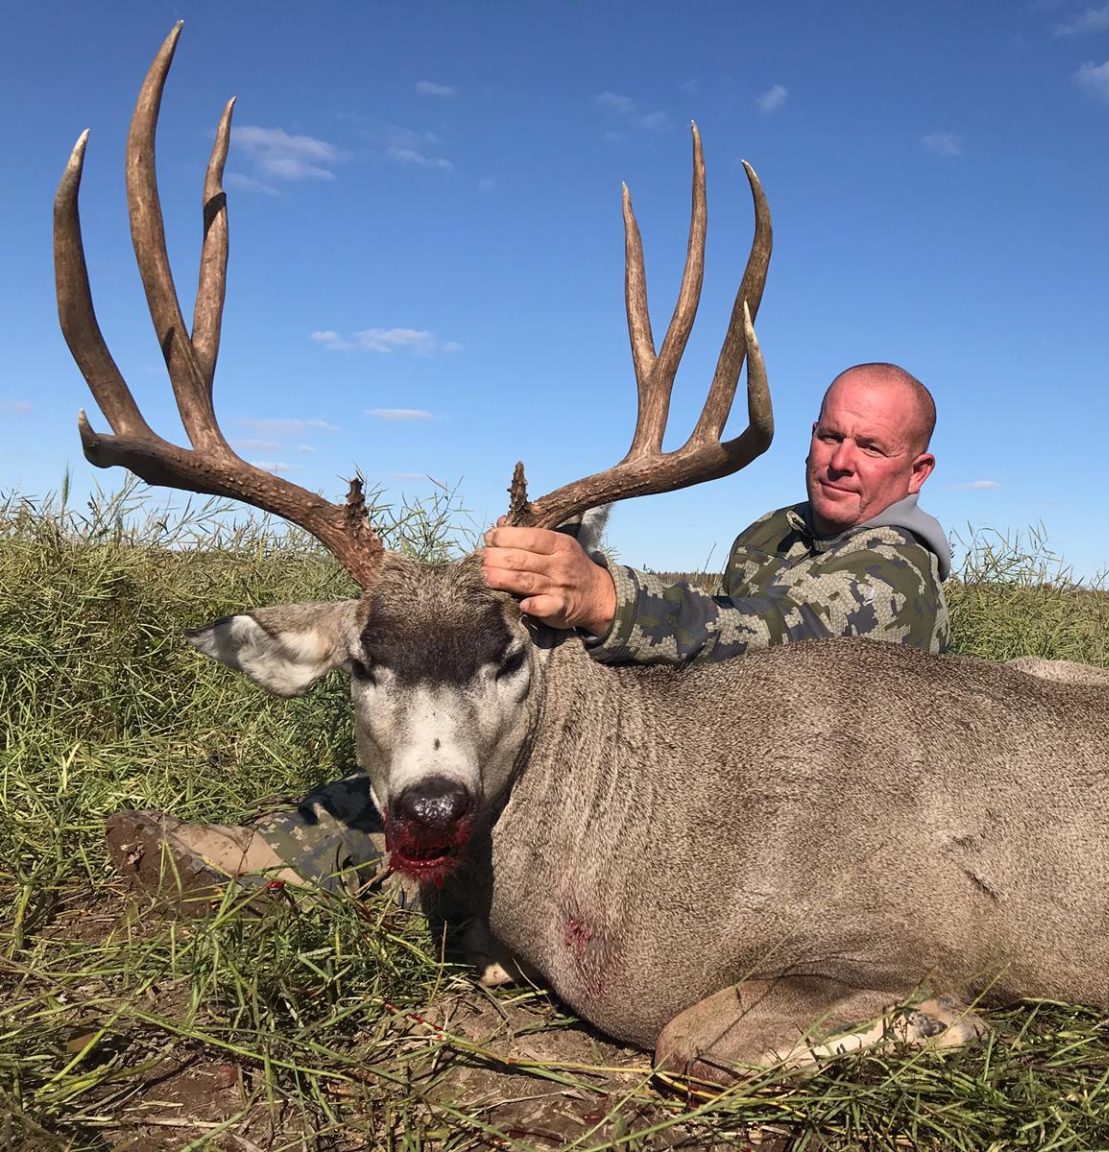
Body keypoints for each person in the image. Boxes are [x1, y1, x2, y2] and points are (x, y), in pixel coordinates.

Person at [106, 362, 952, 901]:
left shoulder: (892, 572)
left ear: (916, 471)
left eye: (871, 446)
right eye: (830, 434)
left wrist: (606, 598)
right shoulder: (784, 536)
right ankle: (273, 847)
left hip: (823, 809)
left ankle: (343, 883)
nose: (841, 458)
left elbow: (777, 639)